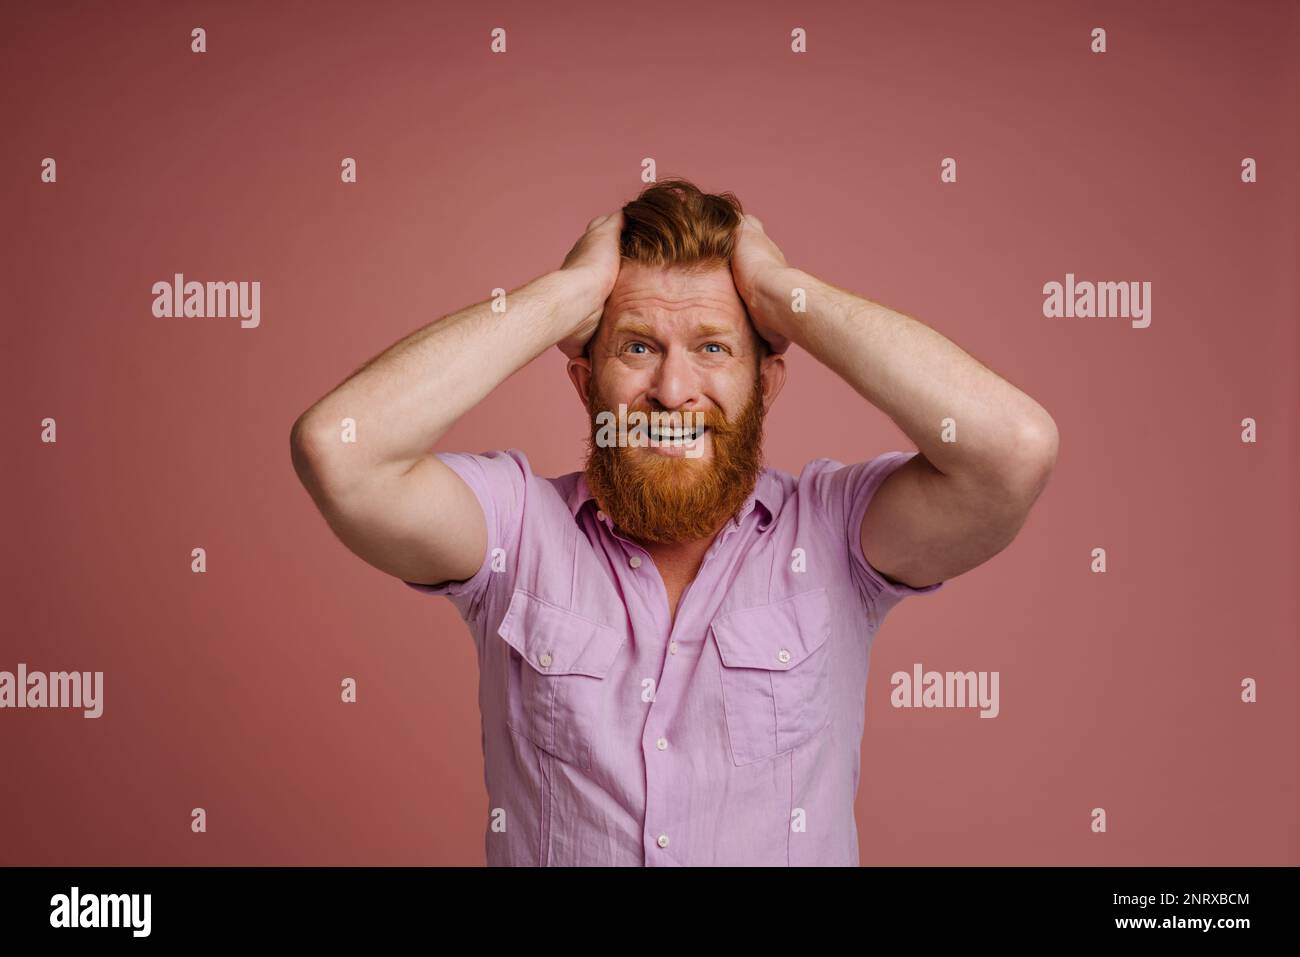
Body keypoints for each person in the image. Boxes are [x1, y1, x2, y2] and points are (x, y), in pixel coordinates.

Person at [289, 178, 1059, 865]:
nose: (672, 389)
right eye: (637, 346)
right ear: (585, 382)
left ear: (767, 384)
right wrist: (565, 294)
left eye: (713, 347)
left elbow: (1013, 451)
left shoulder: (833, 533)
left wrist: (783, 292)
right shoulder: (514, 532)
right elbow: (340, 450)